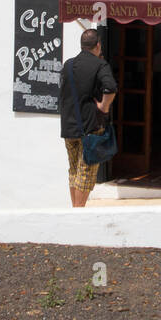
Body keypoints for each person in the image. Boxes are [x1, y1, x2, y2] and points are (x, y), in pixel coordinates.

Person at [59, 28, 117, 208]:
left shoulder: (68, 65)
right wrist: (103, 106)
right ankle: (78, 213)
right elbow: (110, 87)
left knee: (74, 171)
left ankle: (75, 210)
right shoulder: (100, 65)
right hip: (90, 127)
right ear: (98, 45)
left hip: (69, 126)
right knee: (86, 172)